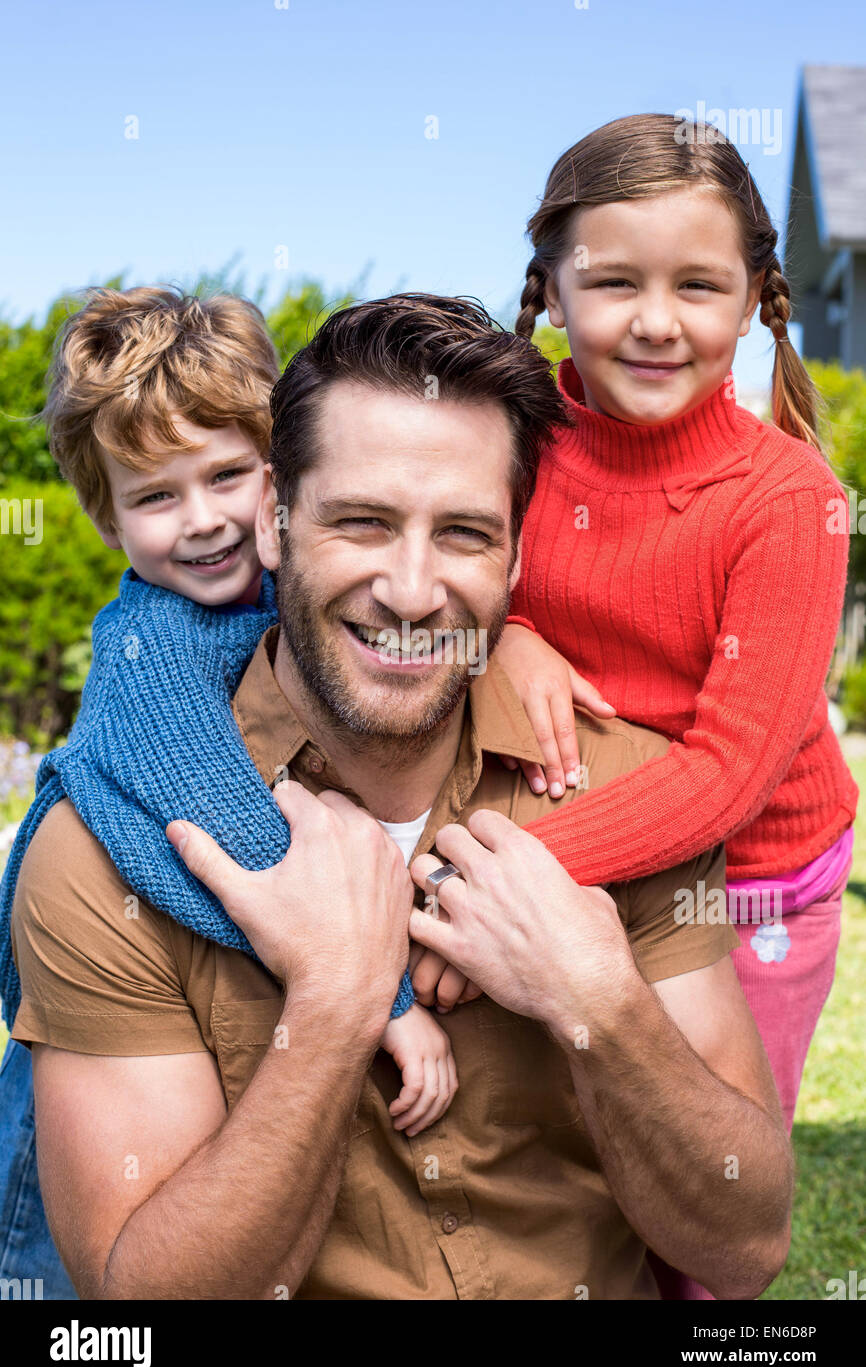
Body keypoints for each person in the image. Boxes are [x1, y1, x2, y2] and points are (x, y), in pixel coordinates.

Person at [9, 293, 793, 1300]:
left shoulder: (627, 788)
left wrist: (598, 999)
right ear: (274, 519)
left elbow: (742, 1249)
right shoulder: (106, 850)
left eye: (464, 533)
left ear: (515, 550)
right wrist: (336, 1006)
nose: (412, 588)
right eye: (361, 521)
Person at [0, 287, 451, 1300]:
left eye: (226, 475)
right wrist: (384, 998)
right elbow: (228, 825)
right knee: (61, 1287)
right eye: (155, 496)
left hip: (159, 1028)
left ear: (279, 476)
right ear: (102, 512)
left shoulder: (273, 592)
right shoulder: (155, 642)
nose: (200, 520)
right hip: (76, 1066)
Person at [489, 113, 857, 1298]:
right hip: (583, 860)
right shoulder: (510, 445)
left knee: (702, 1188)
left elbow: (725, 774)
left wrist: (484, 872)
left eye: (698, 285)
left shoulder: (785, 499)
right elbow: (429, 567)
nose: (655, 320)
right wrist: (509, 633)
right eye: (612, 282)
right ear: (549, 286)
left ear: (753, 300)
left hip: (747, 883)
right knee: (576, 1162)